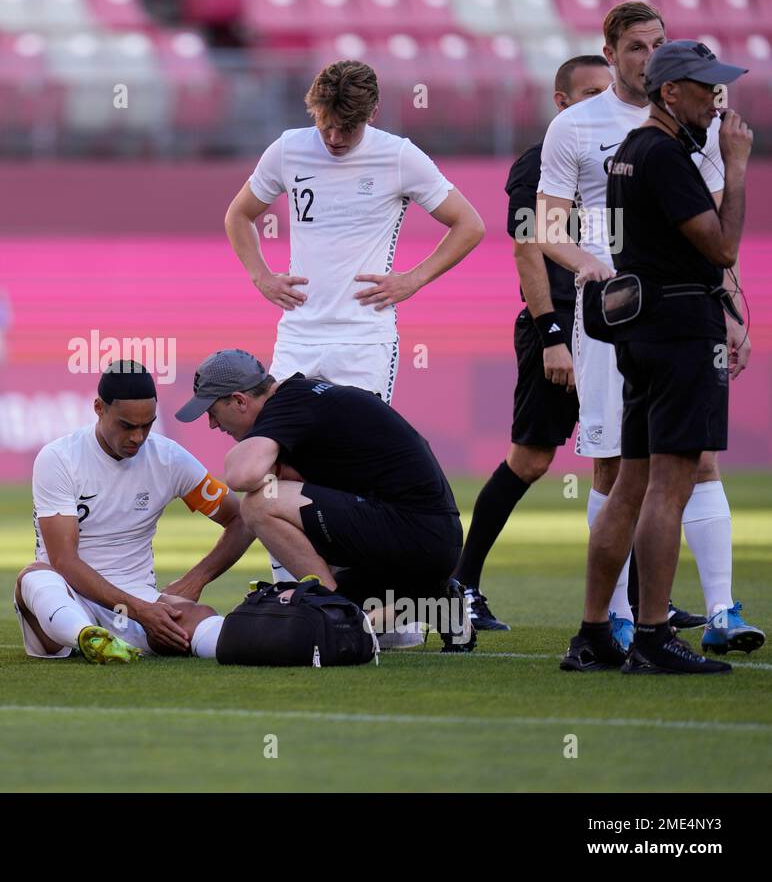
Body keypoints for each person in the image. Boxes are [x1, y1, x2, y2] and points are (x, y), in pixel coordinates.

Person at [537, 2, 752, 649]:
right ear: (609, 52)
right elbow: (544, 225)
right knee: (616, 468)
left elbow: (711, 224)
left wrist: (732, 306)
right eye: (636, 46)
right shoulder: (577, 126)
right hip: (618, 306)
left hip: (685, 301)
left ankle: (721, 611)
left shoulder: (695, 125)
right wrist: (589, 268)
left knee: (697, 459)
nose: (648, 57)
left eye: (657, 44)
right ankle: (623, 620)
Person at [224, 59, 484, 587]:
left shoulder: (398, 156)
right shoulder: (288, 148)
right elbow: (239, 214)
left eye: (349, 127)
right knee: (272, 468)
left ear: (373, 115)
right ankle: (304, 591)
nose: (336, 137)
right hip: (298, 335)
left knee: (354, 468)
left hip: (363, 339)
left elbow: (470, 224)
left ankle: (373, 593)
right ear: (312, 110)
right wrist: (261, 276)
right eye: (326, 124)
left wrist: (413, 279)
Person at [453, 55, 613, 631]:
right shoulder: (540, 161)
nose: (603, 100)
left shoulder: (615, 158)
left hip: (614, 326)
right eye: (590, 91)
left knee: (618, 460)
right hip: (561, 326)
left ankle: (636, 606)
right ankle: (461, 587)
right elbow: (528, 247)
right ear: (562, 102)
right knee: (531, 458)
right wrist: (552, 334)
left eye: (609, 90)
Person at [175, 349, 473, 652]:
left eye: (212, 411)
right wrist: (195, 581)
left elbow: (242, 476)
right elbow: (250, 522)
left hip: (413, 535)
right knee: (309, 609)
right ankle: (434, 600)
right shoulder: (302, 400)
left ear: (239, 401)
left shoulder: (287, 406)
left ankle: (334, 614)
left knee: (261, 501)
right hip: (425, 542)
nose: (212, 425)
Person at [15, 362, 253, 663]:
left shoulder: (169, 459)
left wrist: (196, 579)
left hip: (139, 601)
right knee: (34, 578)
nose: (138, 438)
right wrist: (140, 610)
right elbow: (64, 560)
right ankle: (86, 636)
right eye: (127, 426)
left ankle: (259, 645)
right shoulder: (59, 458)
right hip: (66, 597)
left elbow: (241, 518)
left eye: (148, 425)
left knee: (200, 618)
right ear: (99, 408)